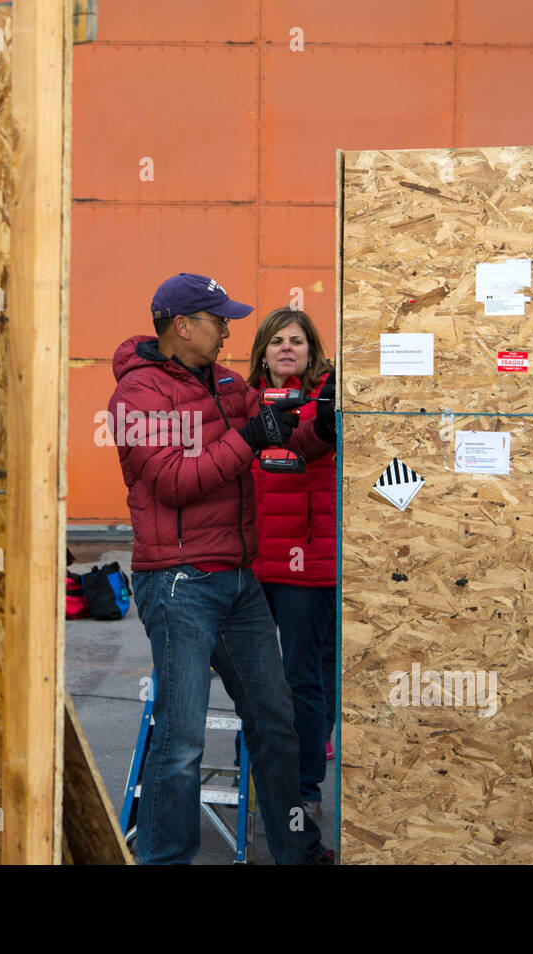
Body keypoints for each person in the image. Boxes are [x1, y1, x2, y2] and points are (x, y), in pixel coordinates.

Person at [109, 272, 336, 865]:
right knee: (181, 739)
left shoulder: (230, 382)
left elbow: (278, 432)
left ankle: (296, 850)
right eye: (217, 321)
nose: (227, 330)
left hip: (239, 578)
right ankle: (166, 858)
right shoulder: (138, 396)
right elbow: (173, 481)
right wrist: (253, 437)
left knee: (276, 722)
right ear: (182, 326)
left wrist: (320, 426)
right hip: (178, 581)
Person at [247, 308, 339, 818]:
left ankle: (305, 787)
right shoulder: (244, 400)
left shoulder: (326, 402)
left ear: (311, 351)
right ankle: (263, 768)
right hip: (255, 561)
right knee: (257, 679)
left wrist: (321, 423)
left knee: (302, 678)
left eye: (297, 341)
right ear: (262, 350)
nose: (287, 348)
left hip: (309, 562)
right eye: (277, 340)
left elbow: (304, 442)